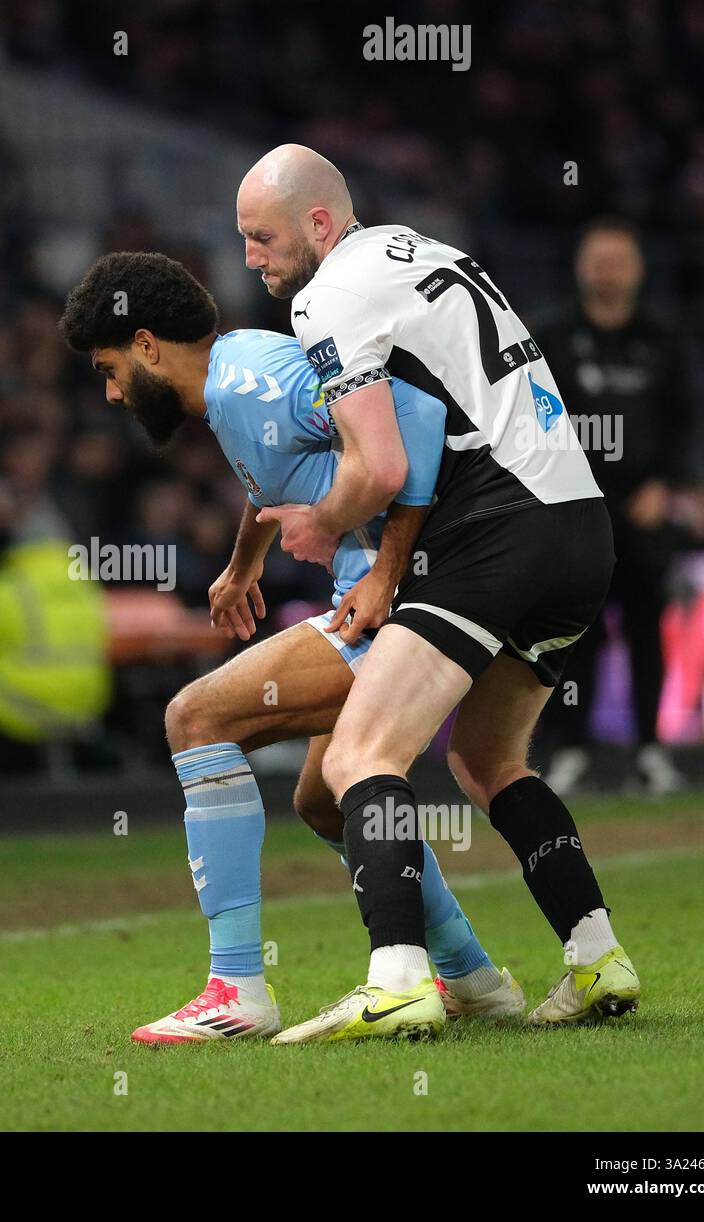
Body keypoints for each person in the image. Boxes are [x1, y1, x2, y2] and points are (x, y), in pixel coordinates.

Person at [60, 251, 523, 1044]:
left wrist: (385, 568)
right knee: (321, 799)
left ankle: (236, 988)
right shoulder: (239, 387)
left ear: (145, 346)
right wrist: (243, 565)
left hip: (404, 603)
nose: (110, 393)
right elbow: (278, 478)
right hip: (409, 595)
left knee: (196, 717)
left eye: (108, 369)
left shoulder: (251, 381)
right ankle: (473, 976)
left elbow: (412, 414)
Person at [237, 144, 639, 1043]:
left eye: (261, 238)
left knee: (356, 757)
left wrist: (318, 523)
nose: (252, 260)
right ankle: (597, 953)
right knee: (489, 760)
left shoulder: (326, 296)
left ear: (319, 223)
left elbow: (380, 466)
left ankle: (400, 979)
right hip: (578, 524)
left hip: (495, 529)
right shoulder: (422, 250)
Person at [539, 219, 693, 795]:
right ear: (581, 266)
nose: (609, 269)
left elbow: (685, 420)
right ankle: (570, 749)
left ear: (639, 268)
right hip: (577, 512)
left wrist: (667, 484)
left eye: (619, 259)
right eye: (598, 258)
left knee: (648, 630)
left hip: (645, 513)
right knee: (573, 634)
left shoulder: (664, 341)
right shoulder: (552, 338)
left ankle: (651, 750)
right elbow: (534, 418)